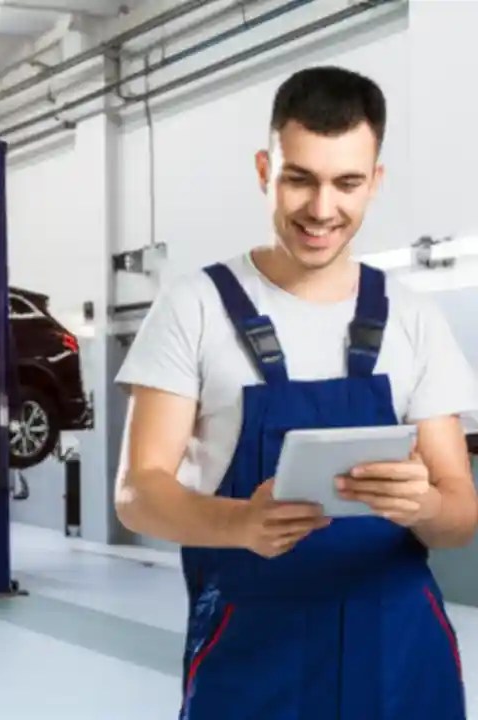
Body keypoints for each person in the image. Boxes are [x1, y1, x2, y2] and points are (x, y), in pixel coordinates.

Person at [114, 65, 478, 719]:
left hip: (400, 653)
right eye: (299, 178)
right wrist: (239, 522)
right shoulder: (195, 306)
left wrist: (422, 502)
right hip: (252, 654)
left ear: (376, 182)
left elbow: (460, 516)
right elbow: (138, 492)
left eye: (347, 183)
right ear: (265, 168)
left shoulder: (413, 316)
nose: (321, 209)